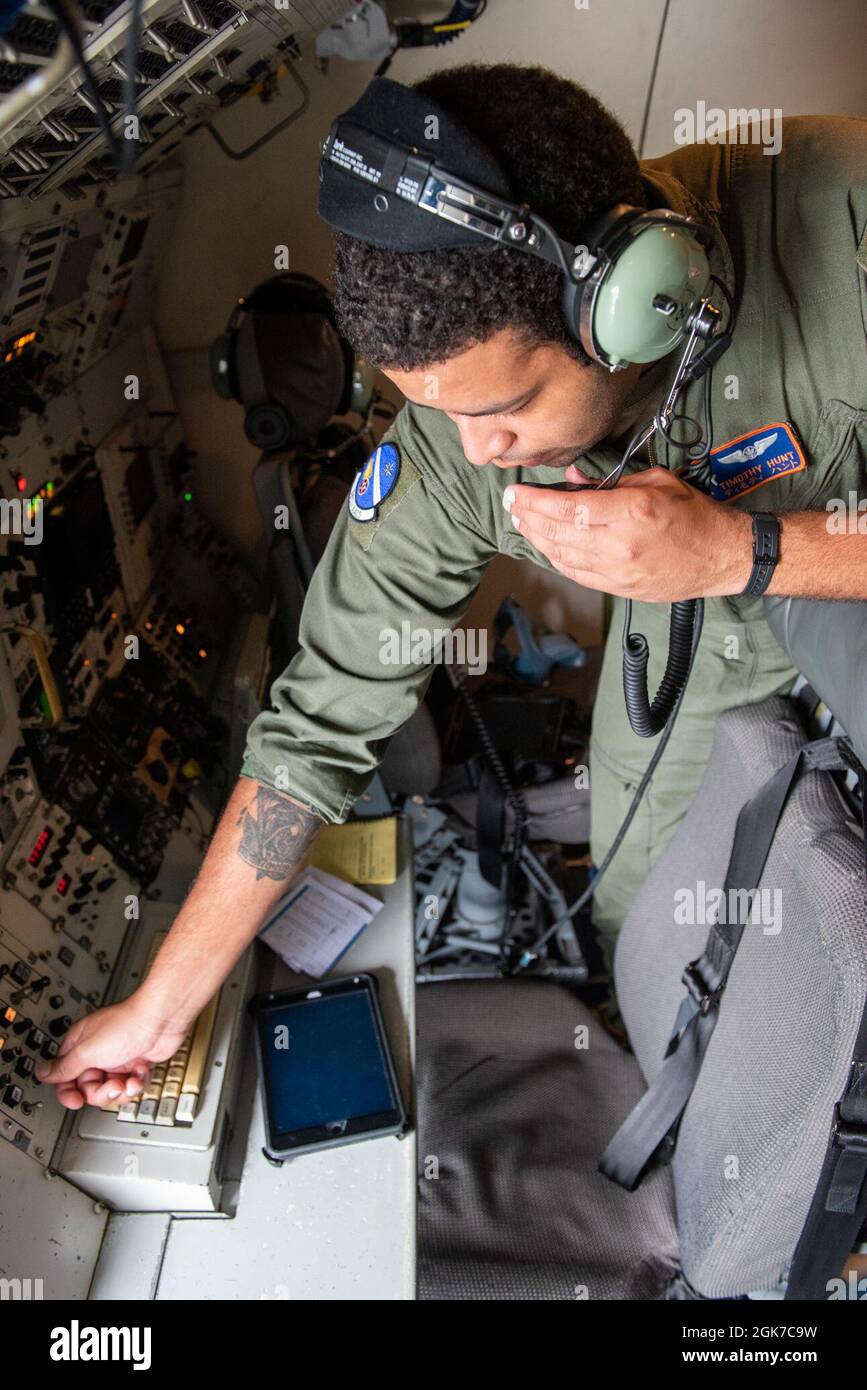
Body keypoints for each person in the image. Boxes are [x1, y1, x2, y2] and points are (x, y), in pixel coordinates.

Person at [37, 64, 867, 1109]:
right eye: (444, 414)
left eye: (510, 406)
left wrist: (748, 553)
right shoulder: (455, 436)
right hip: (686, 681)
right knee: (641, 889)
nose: (480, 454)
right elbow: (316, 727)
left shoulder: (845, 219)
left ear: (631, 299)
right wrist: (164, 1002)